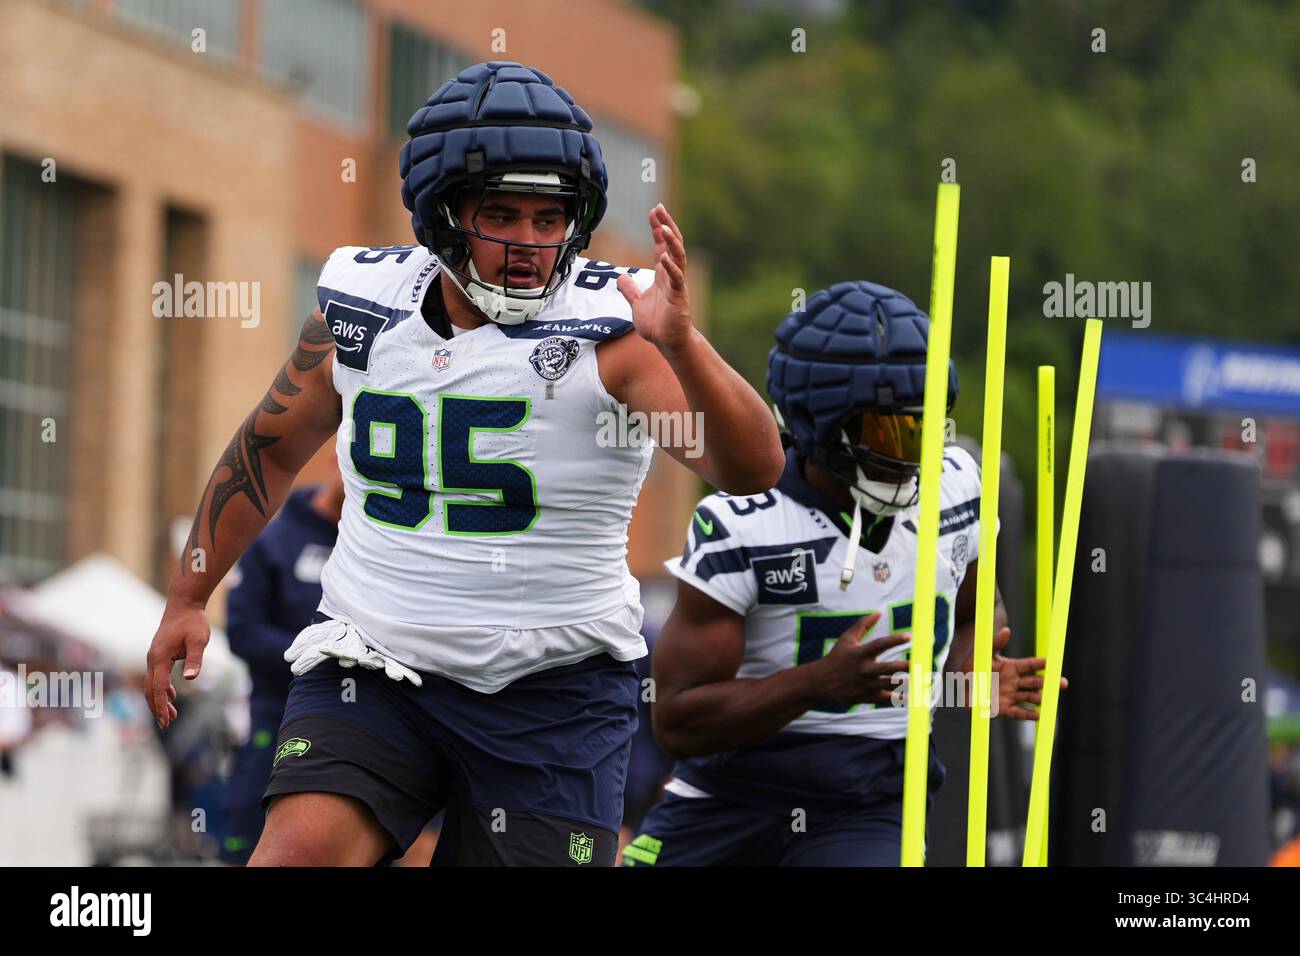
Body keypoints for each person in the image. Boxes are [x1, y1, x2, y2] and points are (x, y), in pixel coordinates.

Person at [144, 60, 784, 867]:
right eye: (502, 215)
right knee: (295, 855)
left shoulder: (617, 330)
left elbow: (754, 469)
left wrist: (685, 347)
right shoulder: (361, 311)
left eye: (549, 219)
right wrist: (188, 594)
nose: (528, 243)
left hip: (555, 685)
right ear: (442, 215)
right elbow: (267, 453)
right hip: (375, 662)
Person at [623, 280, 1062, 867]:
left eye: (925, 428)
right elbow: (677, 720)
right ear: (820, 424)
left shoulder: (956, 490)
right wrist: (814, 685)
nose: (913, 457)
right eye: (891, 433)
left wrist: (968, 673)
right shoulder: (745, 525)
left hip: (868, 799)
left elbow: (975, 614)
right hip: (730, 793)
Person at [218, 464, 343, 864]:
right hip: (276, 725)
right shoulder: (273, 541)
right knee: (254, 844)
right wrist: (320, 652)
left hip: (358, 727)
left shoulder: (373, 544)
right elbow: (242, 631)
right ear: (342, 460)